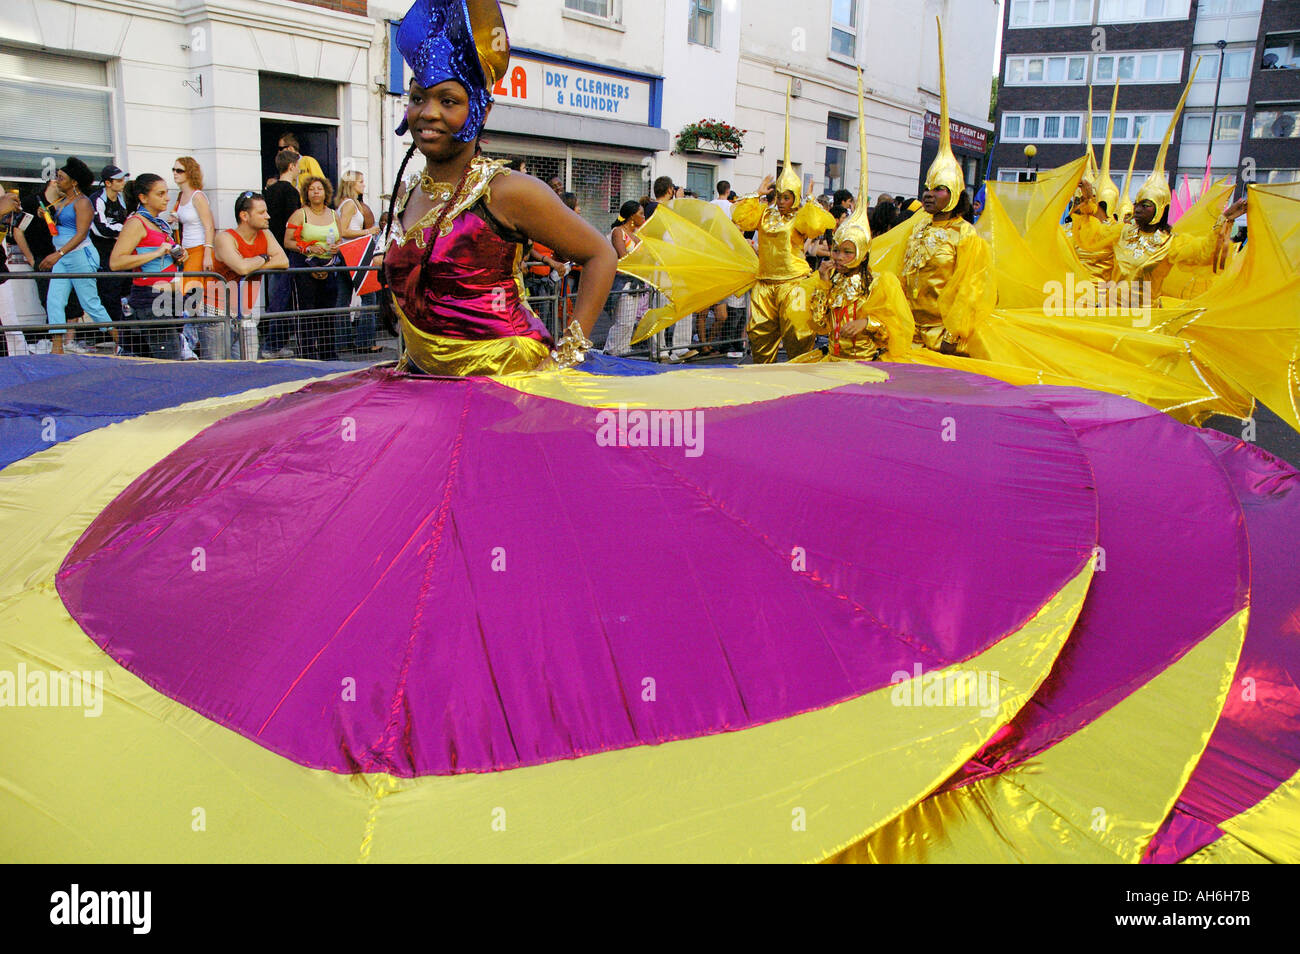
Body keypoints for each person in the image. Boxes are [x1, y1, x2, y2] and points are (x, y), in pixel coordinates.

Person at [379, 0, 616, 375]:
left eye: (448, 100)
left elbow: (601, 255)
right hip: (428, 383)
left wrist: (566, 359)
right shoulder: (408, 191)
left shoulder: (507, 191)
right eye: (418, 97)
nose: (427, 112)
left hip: (508, 386)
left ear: (481, 111)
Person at [803, 73, 914, 363]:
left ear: (863, 252)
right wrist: (824, 285)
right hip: (833, 363)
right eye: (837, 249)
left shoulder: (879, 284)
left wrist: (868, 323)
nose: (838, 256)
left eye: (847, 251)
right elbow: (819, 325)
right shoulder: (830, 280)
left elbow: (898, 328)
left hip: (867, 367)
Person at [896, 22, 991, 355]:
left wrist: (955, 336)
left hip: (942, 337)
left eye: (938, 189)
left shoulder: (967, 236)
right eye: (927, 188)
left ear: (955, 193)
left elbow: (970, 288)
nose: (928, 194)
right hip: (907, 331)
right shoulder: (917, 224)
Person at [729, 81, 836, 363]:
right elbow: (739, 217)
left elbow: (817, 226)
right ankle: (764, 386)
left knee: (798, 335)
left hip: (794, 285)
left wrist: (810, 201)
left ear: (796, 196)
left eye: (788, 196)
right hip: (764, 283)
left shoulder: (801, 215)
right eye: (779, 195)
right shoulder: (765, 212)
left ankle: (798, 384)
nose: (782, 200)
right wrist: (757, 193)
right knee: (760, 336)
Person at [42, 158, 115, 355]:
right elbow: (61, 227)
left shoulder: (83, 202)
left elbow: (81, 233)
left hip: (77, 255)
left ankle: (120, 339)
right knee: (54, 300)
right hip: (63, 257)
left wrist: (58, 254)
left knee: (90, 302)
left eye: (61, 177)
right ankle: (57, 347)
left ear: (74, 182)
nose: (57, 180)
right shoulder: (63, 200)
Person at [110, 173, 187, 359]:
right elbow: (116, 262)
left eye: (166, 193)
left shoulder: (159, 224)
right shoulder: (136, 223)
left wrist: (177, 256)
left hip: (168, 298)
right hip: (150, 299)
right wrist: (157, 253)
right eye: (160, 194)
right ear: (143, 198)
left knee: (161, 358)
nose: (167, 198)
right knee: (170, 361)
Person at [212, 191, 290, 358]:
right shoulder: (225, 238)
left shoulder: (265, 234)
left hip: (245, 313)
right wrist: (263, 257)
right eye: (261, 212)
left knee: (249, 367)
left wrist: (252, 263)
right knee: (218, 368)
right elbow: (241, 268)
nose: (268, 216)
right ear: (244, 216)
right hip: (217, 313)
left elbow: (283, 261)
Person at [284, 176, 345, 361]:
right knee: (307, 312)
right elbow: (288, 241)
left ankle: (328, 353)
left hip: (329, 267)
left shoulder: (334, 215)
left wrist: (337, 247)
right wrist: (308, 247)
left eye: (320, 188)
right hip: (305, 267)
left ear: (326, 192)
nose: (316, 192)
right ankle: (308, 354)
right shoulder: (299, 214)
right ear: (306, 194)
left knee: (327, 311)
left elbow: (340, 239)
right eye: (312, 189)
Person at [336, 170, 382, 351]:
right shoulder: (349, 205)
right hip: (355, 252)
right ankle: (365, 341)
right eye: (360, 182)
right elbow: (343, 231)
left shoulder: (346, 204)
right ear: (352, 184)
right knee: (369, 297)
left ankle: (342, 341)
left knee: (343, 298)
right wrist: (367, 232)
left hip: (348, 253)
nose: (363, 185)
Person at [262, 149, 301, 356]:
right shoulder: (290, 192)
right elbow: (294, 223)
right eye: (298, 166)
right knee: (283, 299)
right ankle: (273, 345)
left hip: (270, 249)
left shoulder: (269, 190)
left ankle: (274, 344)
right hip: (286, 252)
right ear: (292, 166)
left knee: (274, 298)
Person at [89, 165, 132, 335]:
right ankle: (115, 334)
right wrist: (124, 231)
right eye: (119, 180)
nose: (123, 183)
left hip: (121, 251)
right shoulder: (97, 199)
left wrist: (121, 230)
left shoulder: (121, 198)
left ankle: (127, 331)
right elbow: (100, 229)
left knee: (126, 288)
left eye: (123, 179)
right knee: (109, 293)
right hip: (103, 254)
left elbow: (128, 221)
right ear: (107, 183)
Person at [603, 200, 647, 357]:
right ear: (631, 216)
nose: (644, 216)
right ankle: (611, 351)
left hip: (634, 282)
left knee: (630, 321)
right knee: (623, 321)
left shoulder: (635, 235)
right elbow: (623, 258)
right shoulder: (618, 232)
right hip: (622, 282)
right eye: (641, 213)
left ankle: (623, 350)